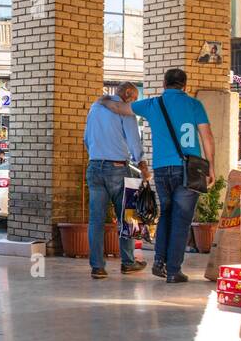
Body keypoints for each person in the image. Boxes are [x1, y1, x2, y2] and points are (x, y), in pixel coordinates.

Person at [101, 68, 214, 284]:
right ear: (185, 86)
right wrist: (211, 166)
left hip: (162, 169)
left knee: (167, 214)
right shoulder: (194, 105)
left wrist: (103, 100)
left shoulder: (152, 104)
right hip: (189, 169)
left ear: (164, 84)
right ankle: (173, 270)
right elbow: (207, 137)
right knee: (181, 221)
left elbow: (119, 108)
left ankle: (159, 261)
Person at [83, 82, 150, 278]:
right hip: (119, 169)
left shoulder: (95, 108)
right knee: (128, 217)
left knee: (96, 220)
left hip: (94, 167)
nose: (135, 102)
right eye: (135, 98)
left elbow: (86, 139)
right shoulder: (124, 110)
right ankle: (128, 262)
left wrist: (99, 156)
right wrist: (143, 166)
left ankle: (98, 267)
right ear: (128, 93)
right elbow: (134, 141)